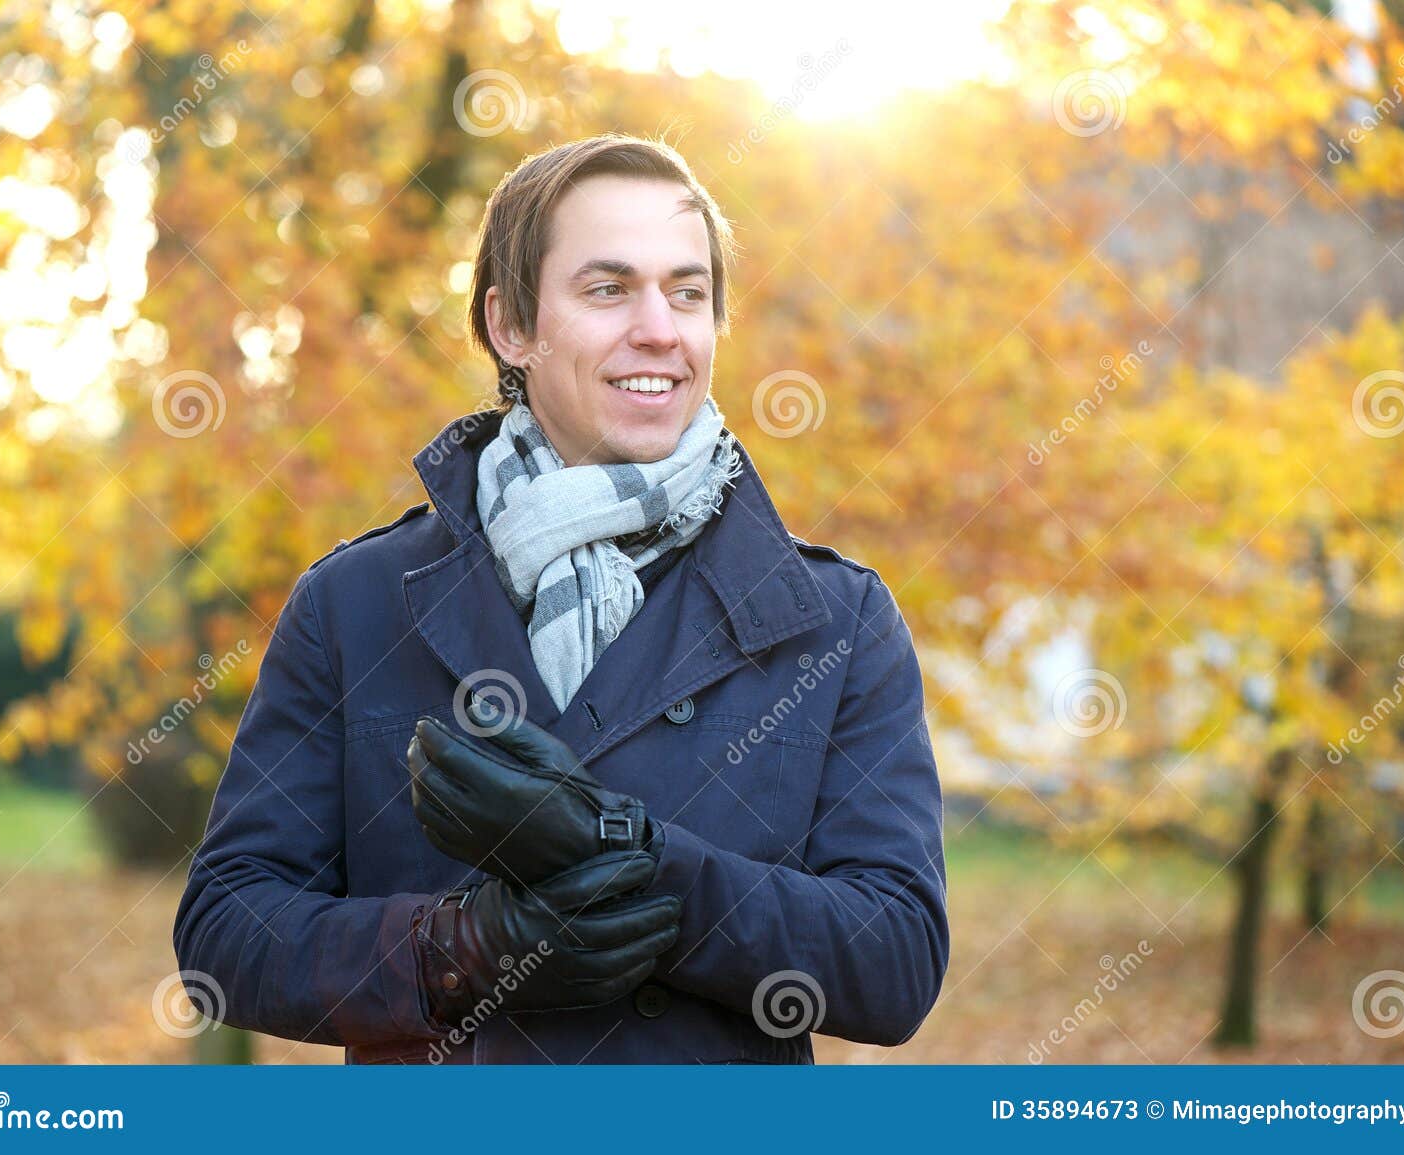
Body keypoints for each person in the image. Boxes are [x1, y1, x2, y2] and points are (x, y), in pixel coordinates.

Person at [172, 134, 950, 1064]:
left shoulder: (834, 617)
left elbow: (896, 962)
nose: (661, 327)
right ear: (511, 327)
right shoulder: (353, 604)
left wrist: (652, 868)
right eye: (609, 288)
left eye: (688, 291)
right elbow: (227, 929)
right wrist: (460, 949)